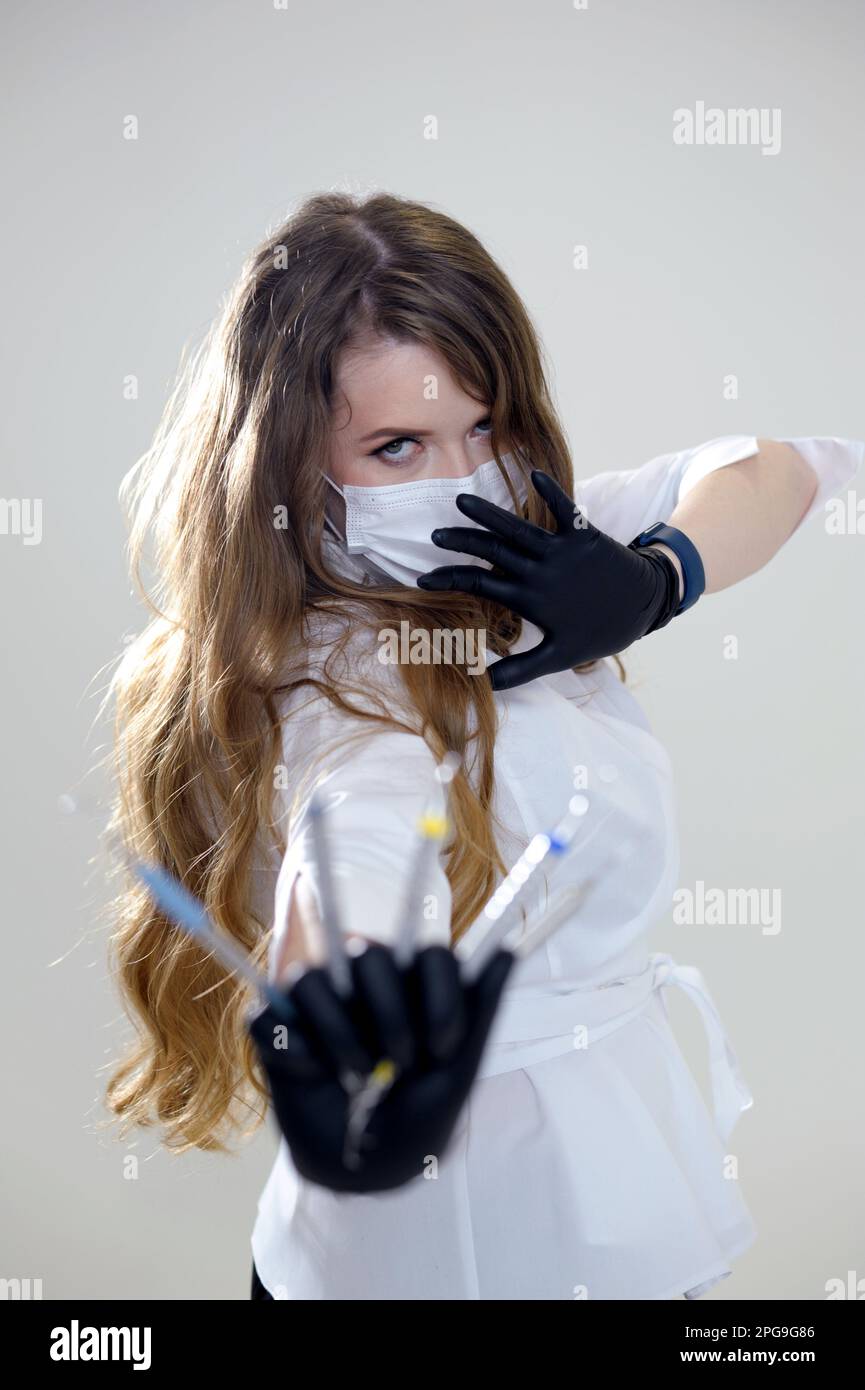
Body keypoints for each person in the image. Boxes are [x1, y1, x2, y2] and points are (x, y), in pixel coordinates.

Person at [104, 189, 862, 1300]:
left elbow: (785, 469)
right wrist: (343, 1024)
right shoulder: (330, 680)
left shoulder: (516, 553)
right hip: (430, 1260)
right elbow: (351, 844)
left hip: (611, 1212)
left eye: (488, 423)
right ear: (288, 466)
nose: (461, 475)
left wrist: (654, 577)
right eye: (397, 444)